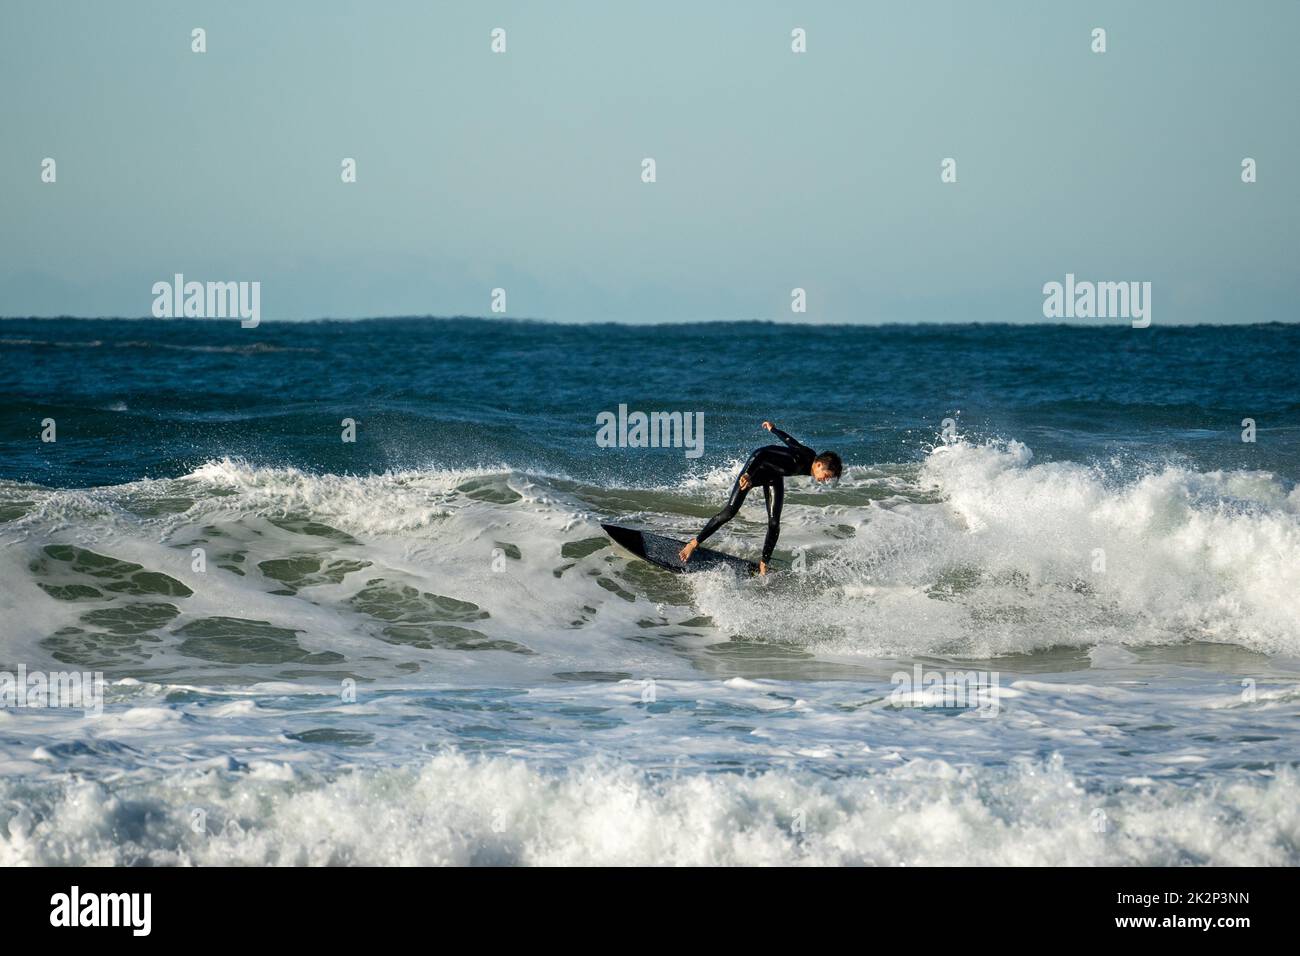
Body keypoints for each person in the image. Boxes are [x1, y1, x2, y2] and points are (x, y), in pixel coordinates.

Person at [678, 421, 841, 575]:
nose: (825, 480)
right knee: (730, 512)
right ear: (819, 465)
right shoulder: (797, 459)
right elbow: (762, 453)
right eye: (826, 476)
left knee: (774, 522)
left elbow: (792, 442)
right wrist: (748, 474)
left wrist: (773, 429)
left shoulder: (810, 456)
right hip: (755, 470)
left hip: (774, 477)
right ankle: (693, 543)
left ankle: (764, 563)